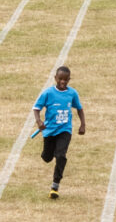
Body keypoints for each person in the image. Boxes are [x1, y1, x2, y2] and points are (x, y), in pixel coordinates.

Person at [32, 65, 86, 199]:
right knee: (47, 158)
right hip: (49, 131)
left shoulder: (72, 93)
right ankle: (47, 154)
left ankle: (55, 186)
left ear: (69, 80)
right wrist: (39, 121)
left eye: (66, 79)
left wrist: (82, 125)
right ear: (55, 78)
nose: (63, 82)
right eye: (60, 79)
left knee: (61, 155)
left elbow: (79, 109)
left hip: (65, 130)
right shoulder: (48, 93)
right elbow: (36, 108)